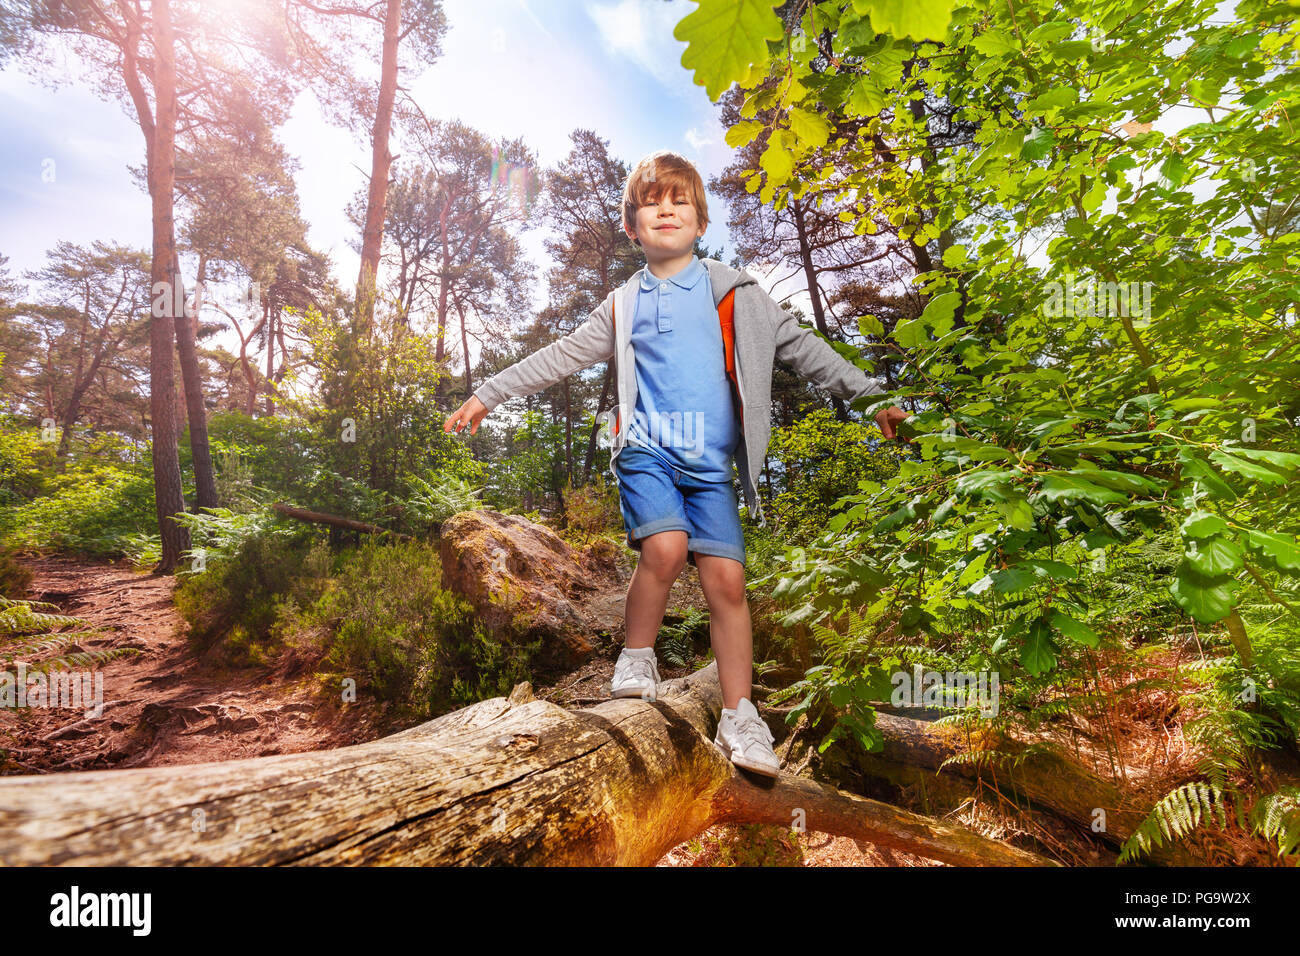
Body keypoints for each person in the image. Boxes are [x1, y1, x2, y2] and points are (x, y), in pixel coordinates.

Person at [445, 149, 910, 776]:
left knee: (727, 584)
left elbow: (804, 350)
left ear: (700, 221)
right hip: (647, 450)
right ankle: (636, 658)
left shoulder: (737, 294)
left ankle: (741, 718)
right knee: (664, 550)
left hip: (713, 470)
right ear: (633, 227)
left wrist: (871, 394)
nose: (666, 210)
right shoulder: (622, 305)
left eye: (679, 201)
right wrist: (489, 392)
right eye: (651, 203)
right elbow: (558, 356)